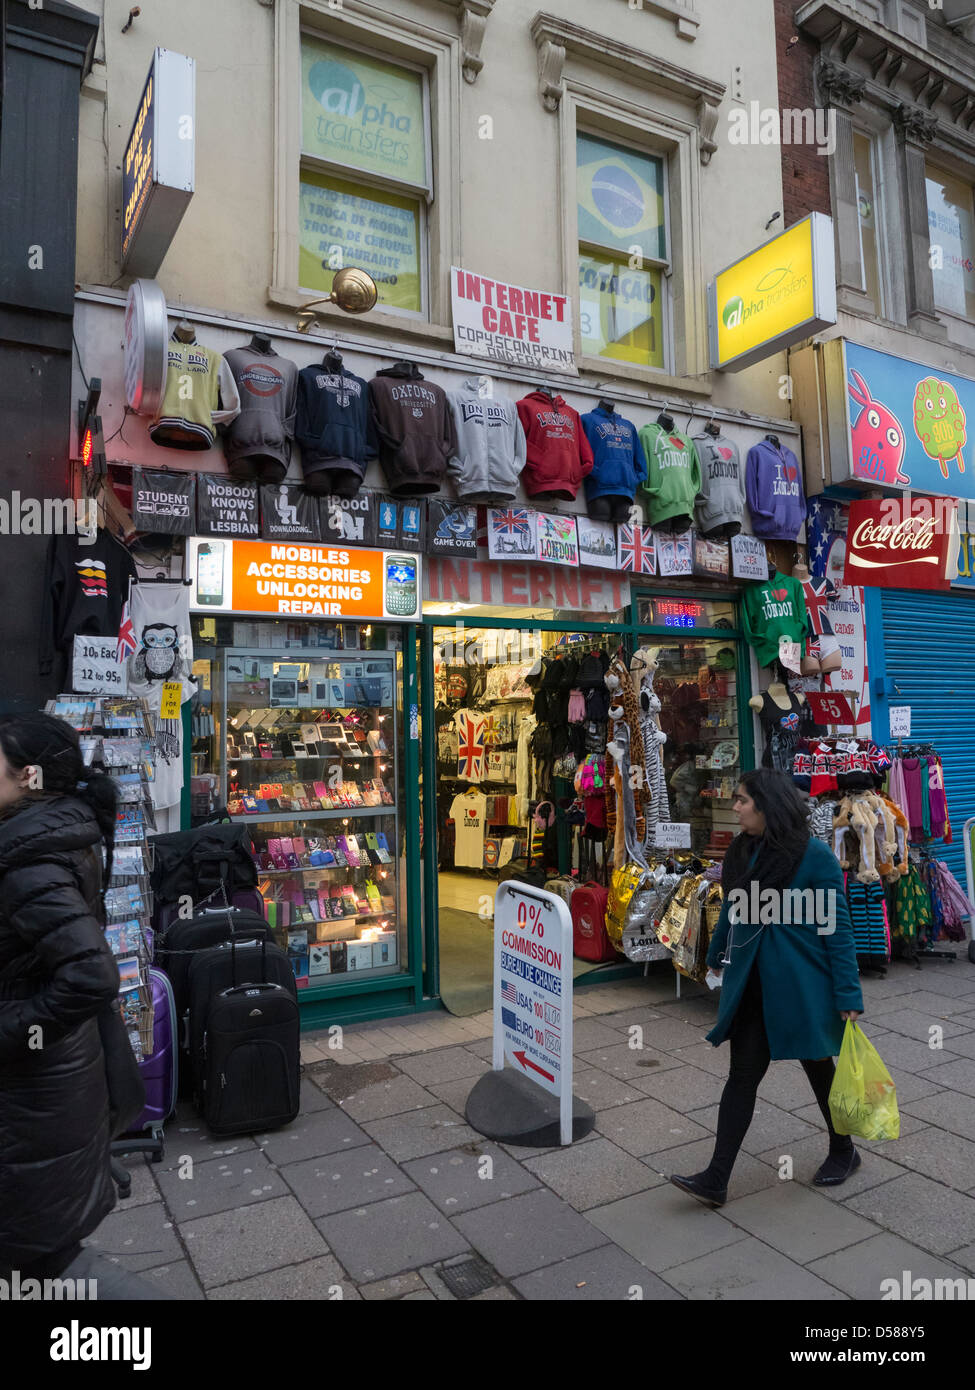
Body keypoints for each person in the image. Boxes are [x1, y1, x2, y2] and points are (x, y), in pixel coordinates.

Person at [0, 713, 160, 1297]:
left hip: (37, 1090)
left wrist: (14, 1027)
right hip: (55, 1083)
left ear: (29, 777)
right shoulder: (51, 835)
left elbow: (90, 974)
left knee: (43, 1267)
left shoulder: (31, 857)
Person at [669, 768, 864, 1207]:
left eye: (741, 800)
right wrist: (715, 953)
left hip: (801, 985)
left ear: (766, 805)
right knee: (741, 1078)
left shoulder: (813, 856)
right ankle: (716, 1178)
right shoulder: (742, 851)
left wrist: (849, 995)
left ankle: (844, 1150)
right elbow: (735, 909)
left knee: (819, 1067)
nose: (734, 807)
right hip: (753, 983)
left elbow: (839, 929)